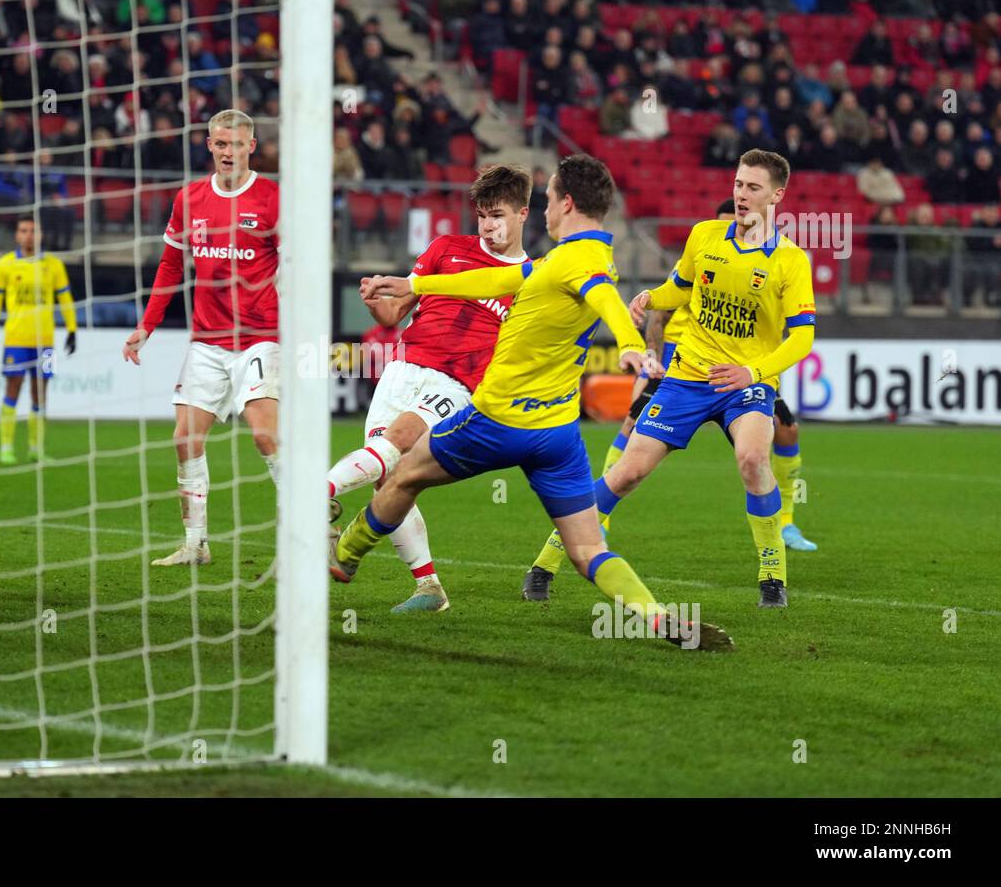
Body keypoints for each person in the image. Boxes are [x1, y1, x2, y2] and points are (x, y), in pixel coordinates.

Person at [340, 155, 732, 651]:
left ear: (566, 203)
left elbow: (605, 296)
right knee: (588, 548)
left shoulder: (579, 263)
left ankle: (346, 554)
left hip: (497, 419)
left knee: (401, 475)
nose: (543, 207)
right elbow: (499, 280)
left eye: (547, 197)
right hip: (558, 436)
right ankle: (656, 617)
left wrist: (630, 342)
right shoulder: (571, 256)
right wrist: (417, 284)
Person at [603, 151, 815, 608]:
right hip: (688, 375)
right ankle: (552, 556)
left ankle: (772, 577)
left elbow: (802, 339)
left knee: (753, 459)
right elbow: (680, 286)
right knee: (628, 472)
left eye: (753, 188)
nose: (741, 195)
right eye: (739, 184)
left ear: (777, 196)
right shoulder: (705, 235)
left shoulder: (791, 261)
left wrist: (754, 372)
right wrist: (650, 297)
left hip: (746, 382)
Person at [327, 165, 532, 612]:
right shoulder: (446, 249)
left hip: (456, 383)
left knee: (398, 444)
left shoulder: (530, 279)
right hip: (403, 368)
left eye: (497, 215)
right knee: (388, 474)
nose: (488, 225)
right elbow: (395, 314)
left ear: (523, 213)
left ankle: (316, 496)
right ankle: (429, 587)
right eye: (481, 216)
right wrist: (376, 303)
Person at [122, 109, 279, 566]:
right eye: (220, 144)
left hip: (260, 335)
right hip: (207, 340)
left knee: (265, 436)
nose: (229, 153)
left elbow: (293, 269)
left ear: (253, 146)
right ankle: (195, 545)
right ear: (209, 145)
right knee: (185, 439)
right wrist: (146, 326)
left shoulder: (272, 199)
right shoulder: (189, 199)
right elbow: (171, 267)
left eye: (237, 145)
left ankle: (307, 529)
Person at [0, 217, 77, 463]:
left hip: (45, 342)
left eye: (33, 230)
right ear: (17, 235)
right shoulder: (6, 264)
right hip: (15, 339)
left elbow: (65, 299)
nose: (28, 235)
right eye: (23, 230)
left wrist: (72, 329)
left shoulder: (53, 265)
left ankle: (37, 450)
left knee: (41, 394)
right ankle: (5, 447)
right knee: (12, 389)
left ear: (40, 234)